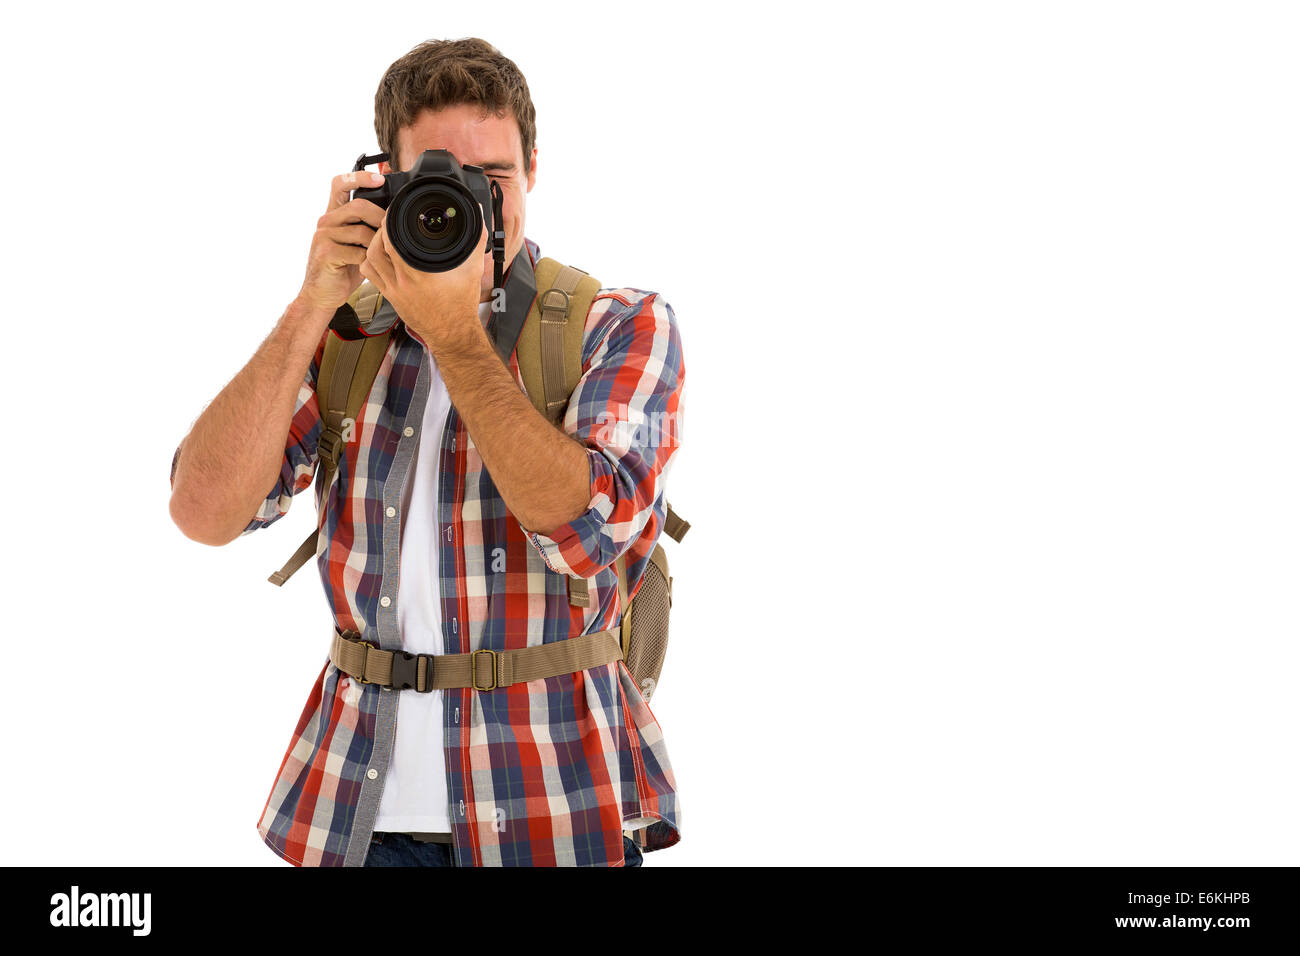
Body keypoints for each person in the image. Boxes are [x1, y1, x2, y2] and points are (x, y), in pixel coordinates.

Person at [167, 37, 684, 867]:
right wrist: (313, 303)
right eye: (438, 181)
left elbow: (590, 533)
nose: (469, 204)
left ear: (533, 171)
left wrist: (453, 334)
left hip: (557, 810)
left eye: (493, 178)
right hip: (353, 810)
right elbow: (202, 513)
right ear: (386, 183)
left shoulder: (617, 324)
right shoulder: (349, 335)